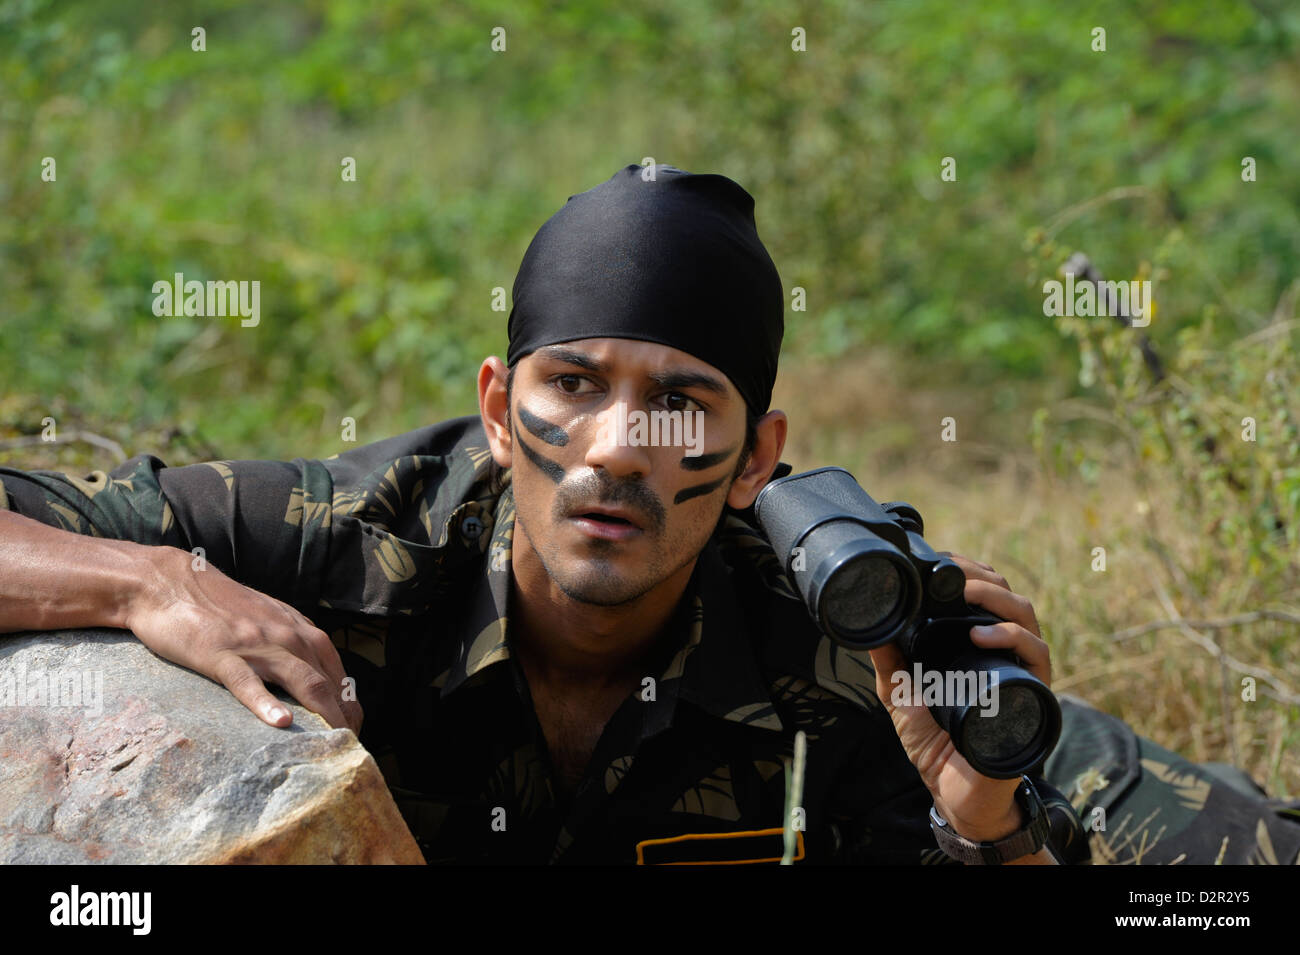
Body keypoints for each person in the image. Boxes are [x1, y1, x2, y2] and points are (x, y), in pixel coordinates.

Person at [1, 164, 1295, 865]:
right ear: (501, 412)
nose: (617, 449)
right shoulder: (351, 540)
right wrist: (144, 584)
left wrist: (982, 825)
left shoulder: (842, 640)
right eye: (574, 386)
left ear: (754, 461)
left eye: (682, 404)